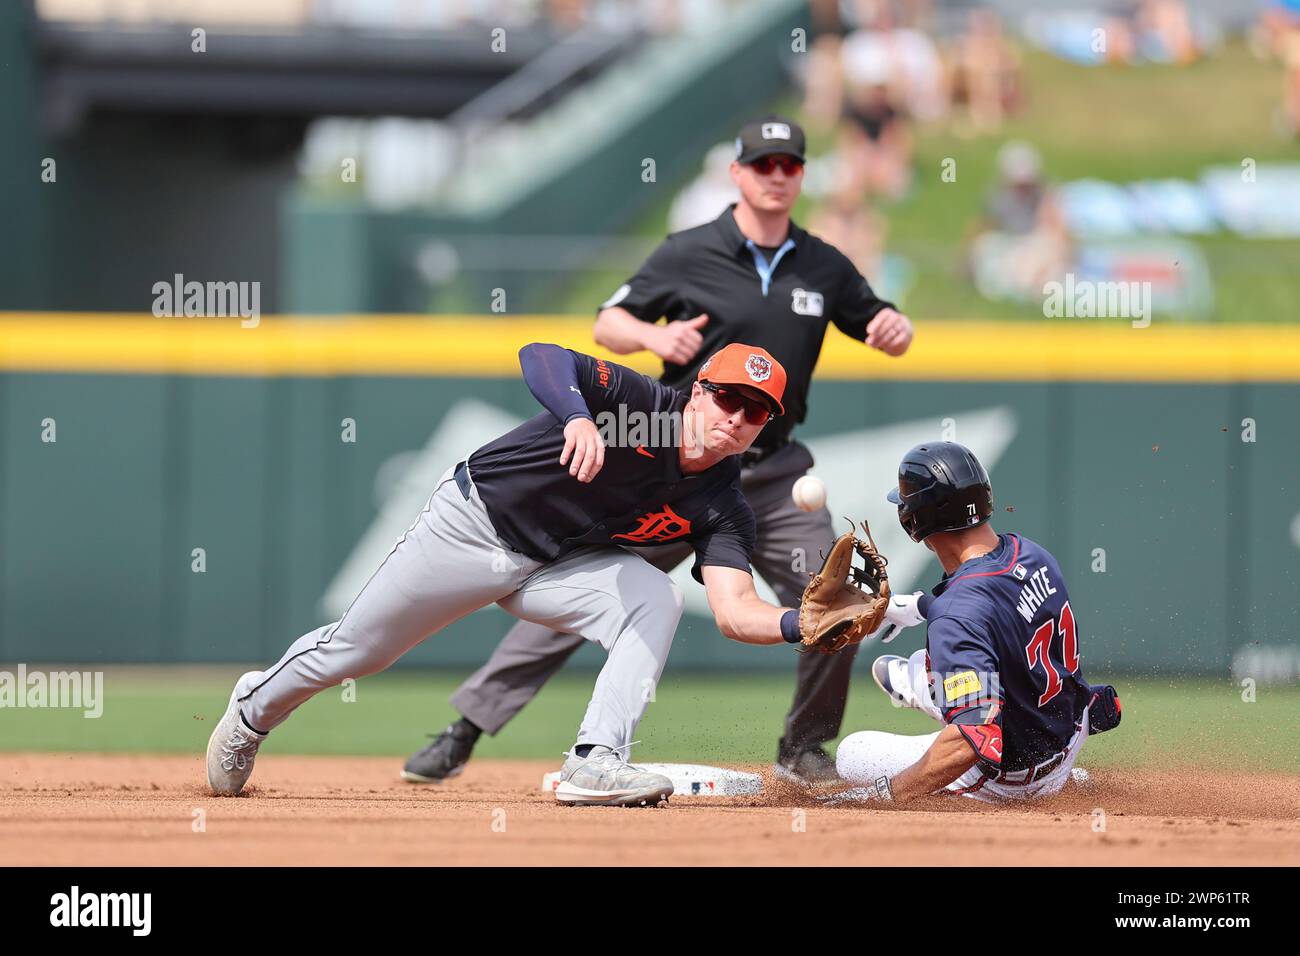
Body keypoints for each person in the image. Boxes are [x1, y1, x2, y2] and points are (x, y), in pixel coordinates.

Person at [402, 115, 914, 788]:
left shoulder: (824, 265)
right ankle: (466, 726)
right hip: (681, 470)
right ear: (738, 173)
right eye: (763, 164)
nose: (776, 175)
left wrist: (892, 328)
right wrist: (653, 336)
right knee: (581, 591)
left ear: (802, 176)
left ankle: (804, 749)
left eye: (789, 164)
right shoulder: (689, 251)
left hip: (773, 470)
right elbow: (605, 324)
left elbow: (881, 324)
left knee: (836, 598)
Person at [207, 342, 825, 807]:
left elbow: (734, 609)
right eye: (729, 397)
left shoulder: (723, 505)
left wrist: (806, 621)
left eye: (757, 411)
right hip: (473, 525)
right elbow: (543, 356)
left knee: (654, 599)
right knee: (359, 651)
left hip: (555, 563)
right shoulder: (641, 408)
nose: (739, 416)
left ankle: (595, 760)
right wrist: (580, 417)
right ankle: (253, 710)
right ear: (697, 390)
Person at [832, 441, 1122, 803]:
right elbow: (995, 602)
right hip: (1068, 727)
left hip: (1013, 775)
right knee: (951, 662)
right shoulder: (1031, 552)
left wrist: (886, 795)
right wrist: (922, 605)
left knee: (851, 754)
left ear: (915, 520)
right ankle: (924, 680)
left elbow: (974, 739)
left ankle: (925, 685)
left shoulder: (955, 616)